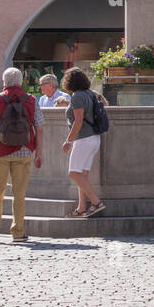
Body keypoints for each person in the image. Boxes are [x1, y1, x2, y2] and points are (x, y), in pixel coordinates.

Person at [0, 68, 44, 243]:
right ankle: (18, 232)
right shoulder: (31, 100)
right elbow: (39, 127)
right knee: (19, 194)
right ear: (21, 81)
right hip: (23, 151)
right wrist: (39, 152)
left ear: (4, 81)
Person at [60, 68, 105, 218]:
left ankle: (96, 202)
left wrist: (68, 141)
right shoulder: (91, 93)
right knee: (82, 175)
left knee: (73, 173)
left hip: (83, 139)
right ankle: (81, 208)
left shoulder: (78, 96)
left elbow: (78, 121)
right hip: (94, 138)